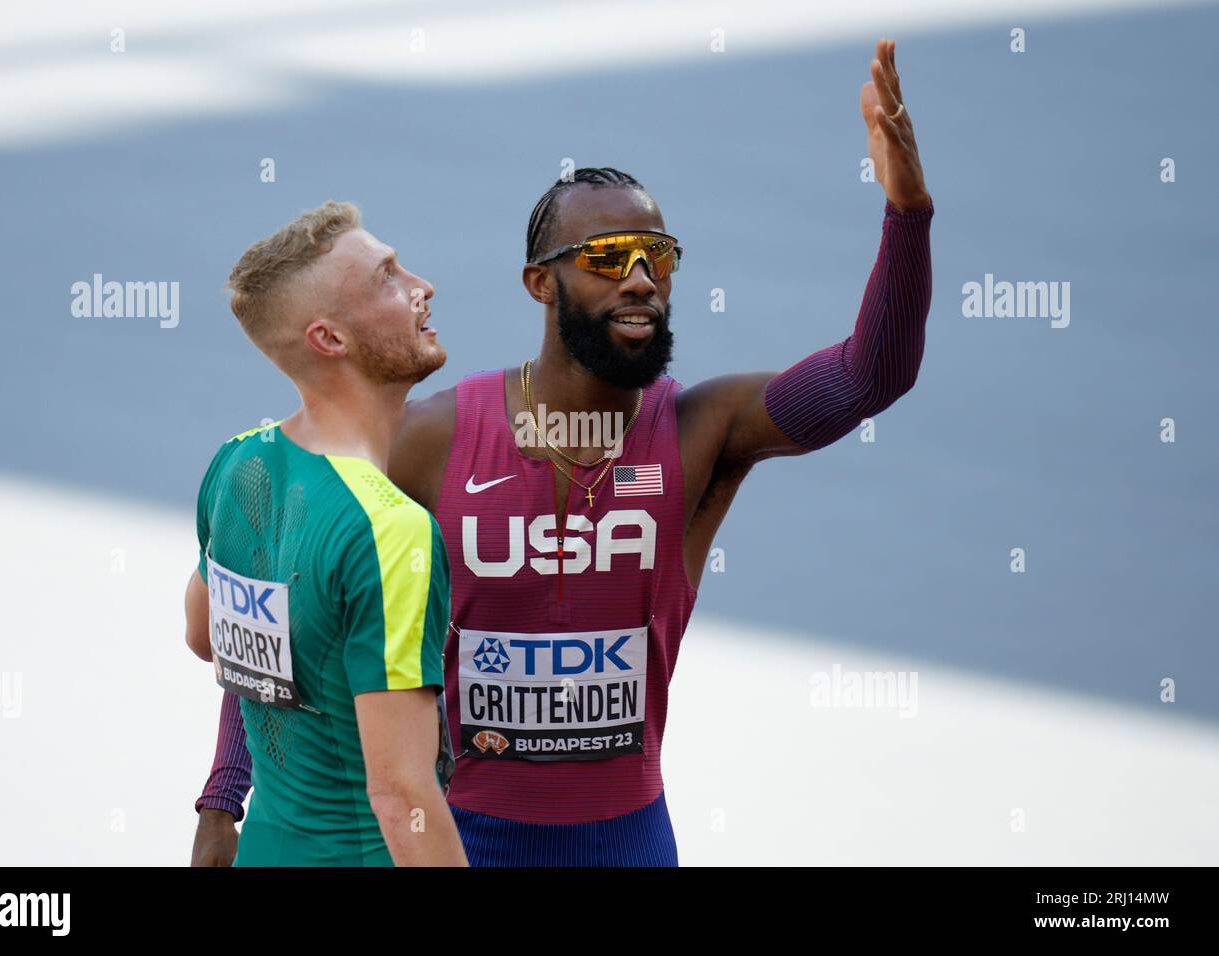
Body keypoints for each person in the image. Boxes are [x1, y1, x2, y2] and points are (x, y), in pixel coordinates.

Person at [192, 38, 932, 866]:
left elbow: (872, 374)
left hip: (627, 842)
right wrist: (226, 792)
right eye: (609, 259)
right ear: (540, 283)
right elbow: (291, 616)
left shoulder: (702, 431)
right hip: (458, 838)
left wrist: (907, 211)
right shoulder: (432, 438)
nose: (642, 278)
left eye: (659, 257)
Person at [185, 200, 467, 866]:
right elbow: (402, 798)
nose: (423, 289)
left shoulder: (236, 463)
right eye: (389, 278)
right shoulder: (392, 531)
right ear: (329, 339)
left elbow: (203, 636)